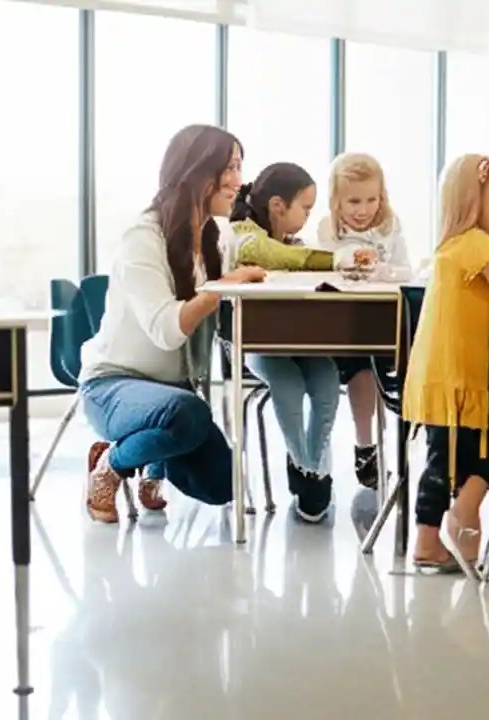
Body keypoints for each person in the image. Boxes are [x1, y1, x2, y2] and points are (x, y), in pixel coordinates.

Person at [79, 125, 265, 523]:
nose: (239, 181)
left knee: (222, 486)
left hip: (172, 396)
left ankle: (152, 461)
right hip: (112, 386)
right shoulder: (143, 238)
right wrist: (219, 288)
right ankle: (111, 465)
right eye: (230, 168)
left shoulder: (215, 240)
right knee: (188, 414)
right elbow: (166, 331)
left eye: (239, 167)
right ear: (198, 171)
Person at [401, 154, 489, 577]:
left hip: (440, 368)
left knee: (442, 456)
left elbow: (460, 308)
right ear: (474, 199)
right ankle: (428, 541)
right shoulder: (475, 243)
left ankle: (428, 540)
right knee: (447, 459)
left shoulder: (452, 246)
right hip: (453, 372)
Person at [229, 162, 341, 522]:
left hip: (298, 337)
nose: (308, 216)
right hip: (255, 342)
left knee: (326, 379)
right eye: (305, 208)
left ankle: (313, 467)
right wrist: (338, 260)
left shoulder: (293, 243)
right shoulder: (244, 235)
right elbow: (265, 255)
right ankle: (303, 466)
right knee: (289, 382)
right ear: (278, 206)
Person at [313, 153, 410, 490]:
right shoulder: (327, 229)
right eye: (353, 201)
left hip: (380, 318)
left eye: (372, 199)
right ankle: (365, 444)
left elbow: (406, 271)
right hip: (339, 319)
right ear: (336, 200)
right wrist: (345, 260)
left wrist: (385, 271)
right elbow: (321, 265)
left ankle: (383, 444)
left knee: (380, 361)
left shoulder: (390, 226)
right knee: (360, 366)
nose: (363, 209)